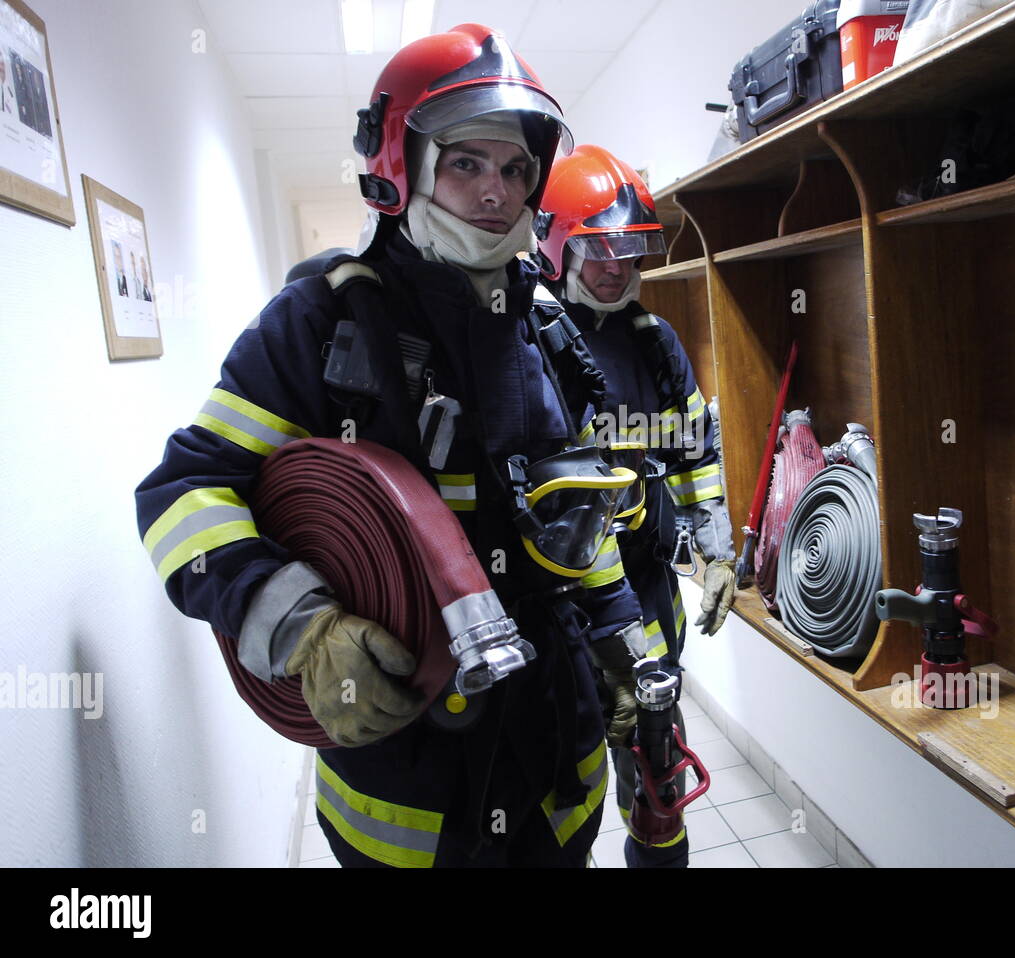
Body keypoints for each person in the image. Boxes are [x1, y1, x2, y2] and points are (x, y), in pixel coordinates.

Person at [135, 25, 646, 868]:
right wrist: (304, 628)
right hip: (407, 786)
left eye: (517, 169)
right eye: (467, 163)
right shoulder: (320, 324)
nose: (497, 191)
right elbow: (185, 492)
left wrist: (618, 636)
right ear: (402, 166)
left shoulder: (549, 331)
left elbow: (578, 515)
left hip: (555, 756)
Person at [536, 144, 737, 867]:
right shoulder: (527, 345)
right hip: (562, 613)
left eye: (631, 251)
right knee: (563, 779)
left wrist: (717, 553)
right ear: (557, 244)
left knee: (657, 781)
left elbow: (693, 461)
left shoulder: (655, 344)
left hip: (648, 598)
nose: (617, 267)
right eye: (600, 250)